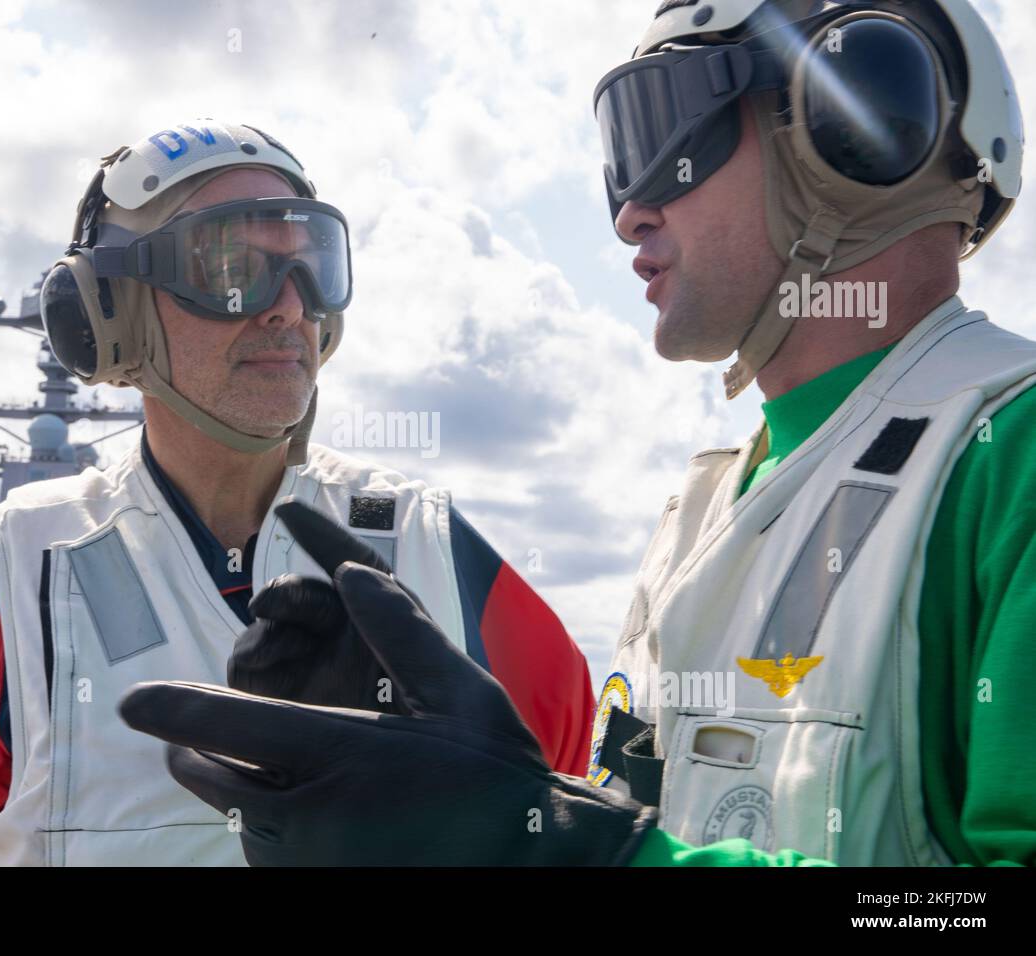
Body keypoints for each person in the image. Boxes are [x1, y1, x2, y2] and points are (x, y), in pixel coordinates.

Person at [120, 0, 1036, 866]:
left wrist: (554, 850)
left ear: (861, 123)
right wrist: (459, 795)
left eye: (664, 128)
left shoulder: (1013, 452)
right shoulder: (710, 503)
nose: (630, 210)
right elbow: (633, 827)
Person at [0, 119, 595, 867]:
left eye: (310, 265)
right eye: (230, 266)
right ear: (108, 314)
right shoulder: (17, 569)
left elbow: (567, 815)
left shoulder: (428, 541)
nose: (288, 307)